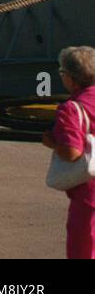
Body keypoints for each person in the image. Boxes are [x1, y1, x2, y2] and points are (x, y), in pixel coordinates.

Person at [42, 45, 95, 259]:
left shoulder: (71, 108)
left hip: (89, 195)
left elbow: (72, 152)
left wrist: (52, 143)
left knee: (83, 251)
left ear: (71, 79)